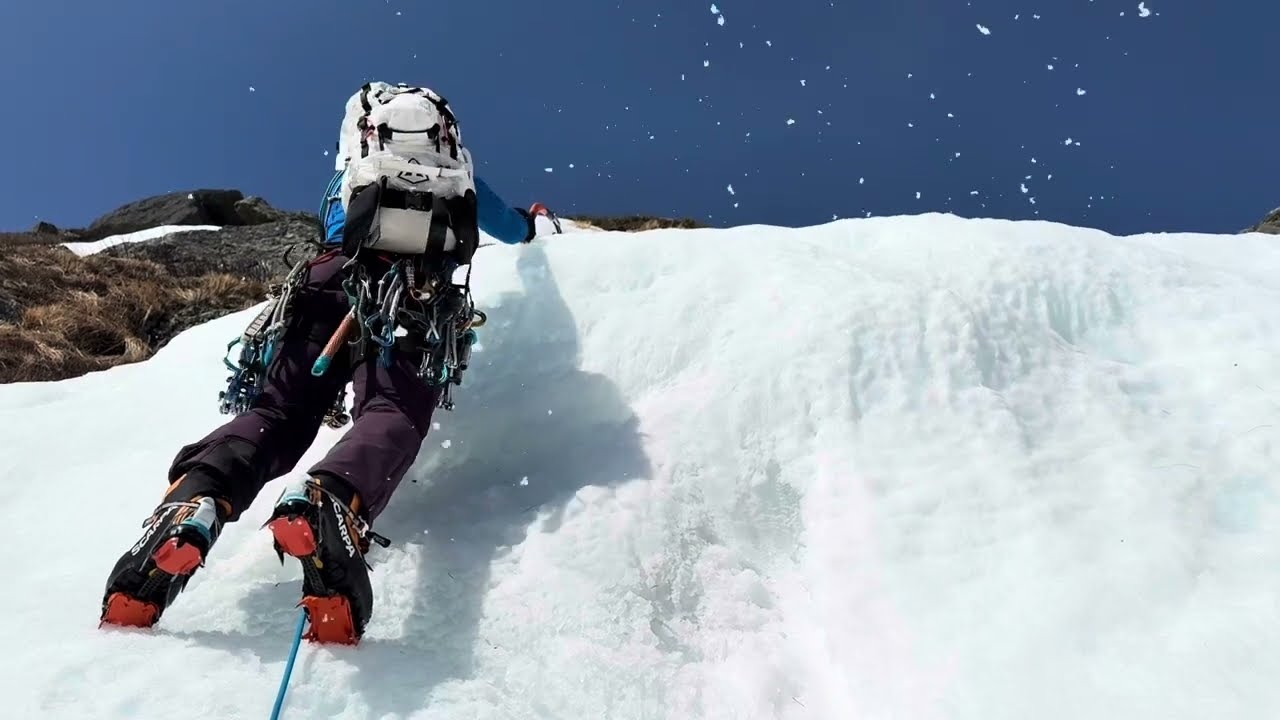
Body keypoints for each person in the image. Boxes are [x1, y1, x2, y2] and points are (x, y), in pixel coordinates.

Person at [100, 85, 548, 645]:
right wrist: (533, 225)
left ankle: (196, 501)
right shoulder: (455, 175)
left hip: (327, 282)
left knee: (278, 412)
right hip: (415, 296)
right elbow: (504, 223)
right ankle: (330, 500)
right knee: (392, 410)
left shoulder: (350, 173)